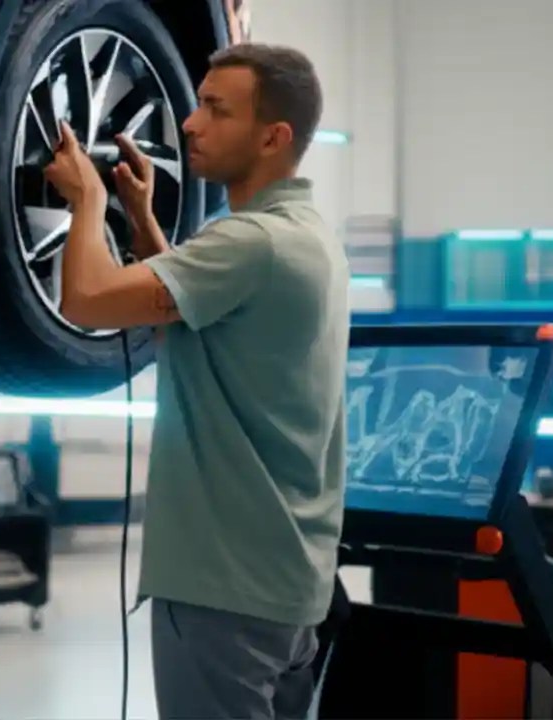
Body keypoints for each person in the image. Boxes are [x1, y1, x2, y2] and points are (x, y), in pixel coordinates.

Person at [43, 42, 349, 720]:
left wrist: (87, 200)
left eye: (217, 109)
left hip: (223, 595)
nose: (188, 123)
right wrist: (145, 220)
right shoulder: (304, 237)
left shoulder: (253, 243)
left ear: (274, 137)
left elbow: (88, 299)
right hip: (288, 590)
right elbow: (193, 311)